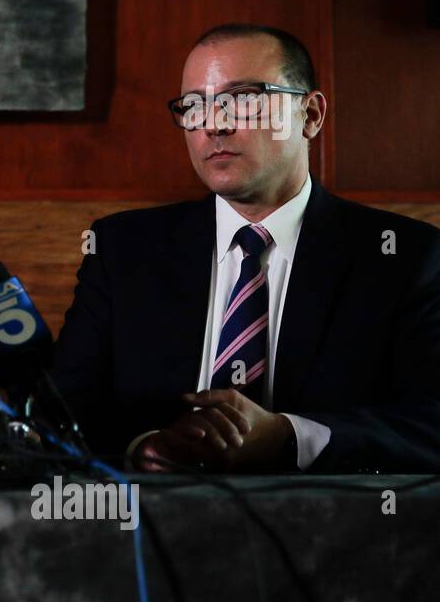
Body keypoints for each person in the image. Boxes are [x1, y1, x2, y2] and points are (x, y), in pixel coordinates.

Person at [53, 23, 440, 474]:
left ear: (310, 115)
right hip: (150, 524)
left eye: (243, 99)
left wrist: (288, 437)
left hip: (331, 528)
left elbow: (430, 423)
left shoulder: (404, 258)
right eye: (194, 106)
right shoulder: (123, 250)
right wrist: (144, 447)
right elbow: (61, 408)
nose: (214, 123)